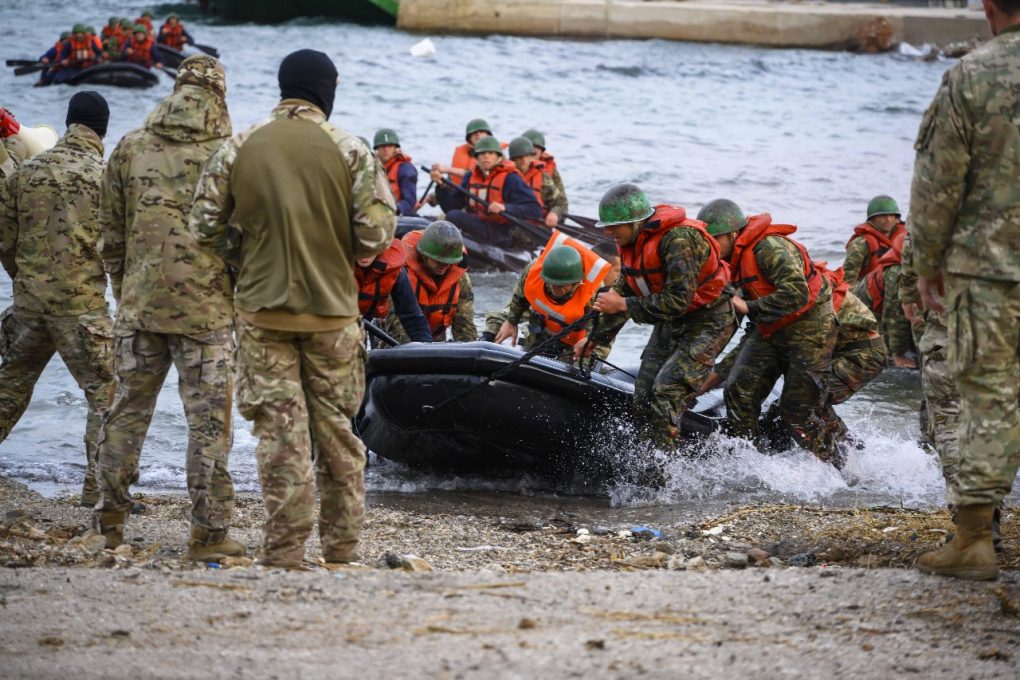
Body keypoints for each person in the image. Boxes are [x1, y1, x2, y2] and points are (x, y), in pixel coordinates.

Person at [191, 49, 396, 568]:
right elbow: (376, 238)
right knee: (338, 436)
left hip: (261, 315)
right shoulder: (350, 150)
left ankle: (283, 552)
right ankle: (341, 552)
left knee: (280, 439)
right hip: (332, 315)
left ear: (284, 87)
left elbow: (203, 228)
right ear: (328, 88)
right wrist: (333, 246)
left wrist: (248, 254)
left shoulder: (238, 147)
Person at [93, 56, 241, 560]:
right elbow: (244, 238)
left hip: (139, 306)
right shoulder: (229, 153)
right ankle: (209, 533)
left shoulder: (130, 146)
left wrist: (122, 288)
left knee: (126, 413)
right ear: (219, 97)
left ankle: (109, 521)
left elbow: (108, 232)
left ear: (176, 89)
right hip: (208, 314)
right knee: (208, 425)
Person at [911, 0, 1020, 582]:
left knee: (989, 398)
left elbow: (938, 181)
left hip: (990, 273)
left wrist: (926, 263)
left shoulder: (973, 75)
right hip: (989, 272)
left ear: (988, 7)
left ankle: (976, 540)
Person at [0, 92, 114, 507]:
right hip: (81, 308)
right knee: (105, 395)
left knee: (10, 389)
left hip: (29, 305)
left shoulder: (24, 173)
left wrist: (26, 280)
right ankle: (98, 493)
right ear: (102, 128)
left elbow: (5, 241)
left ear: (68, 123)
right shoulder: (103, 176)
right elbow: (115, 248)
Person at [578, 184, 734, 446]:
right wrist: (596, 338)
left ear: (636, 222)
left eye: (615, 226)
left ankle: (665, 475)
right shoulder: (632, 245)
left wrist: (625, 305)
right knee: (643, 396)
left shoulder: (679, 240)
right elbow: (624, 290)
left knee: (666, 392)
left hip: (709, 320)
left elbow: (677, 301)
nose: (608, 232)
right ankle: (650, 456)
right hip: (671, 322)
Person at [697, 198, 839, 463]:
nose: (710, 250)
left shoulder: (770, 247)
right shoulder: (729, 262)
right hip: (771, 328)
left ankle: (838, 468)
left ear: (732, 234)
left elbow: (798, 293)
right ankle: (751, 461)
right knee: (739, 390)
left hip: (810, 328)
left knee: (798, 410)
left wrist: (749, 306)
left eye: (714, 241)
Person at [490, 231, 612, 362]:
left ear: (577, 282)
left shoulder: (595, 293)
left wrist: (583, 362)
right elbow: (520, 297)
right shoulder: (534, 270)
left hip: (576, 344)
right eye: (552, 283)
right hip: (541, 331)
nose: (556, 288)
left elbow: (602, 334)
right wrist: (511, 321)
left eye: (562, 285)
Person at [430, 136, 541, 248]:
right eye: (482, 154)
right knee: (453, 215)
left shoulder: (510, 179)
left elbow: (534, 209)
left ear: (499, 158)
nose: (486, 157)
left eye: (491, 153)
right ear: (476, 158)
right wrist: (441, 186)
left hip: (501, 232)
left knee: (454, 216)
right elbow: (451, 207)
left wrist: (505, 208)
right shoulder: (470, 177)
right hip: (479, 224)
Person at [388, 222, 477, 343]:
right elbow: (396, 324)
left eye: (448, 261)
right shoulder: (402, 275)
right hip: (396, 340)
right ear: (424, 255)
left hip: (435, 342)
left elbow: (465, 326)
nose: (444, 265)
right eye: (438, 260)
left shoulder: (461, 280)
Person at [851, 232, 916, 368]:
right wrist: (898, 355)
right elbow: (893, 317)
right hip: (865, 314)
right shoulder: (897, 272)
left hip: (883, 308)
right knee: (882, 354)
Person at [355, 239, 432, 343]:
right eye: (359, 246)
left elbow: (412, 316)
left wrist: (425, 349)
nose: (365, 253)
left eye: (371, 246)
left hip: (363, 322)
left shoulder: (394, 269)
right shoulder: (332, 264)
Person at [842, 195, 906, 286]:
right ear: (872, 218)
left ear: (897, 219)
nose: (888, 220)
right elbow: (847, 281)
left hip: (896, 287)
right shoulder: (861, 243)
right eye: (883, 216)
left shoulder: (905, 239)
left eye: (891, 215)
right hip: (867, 290)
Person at [507, 136, 567, 229]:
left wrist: (554, 213)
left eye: (526, 157)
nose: (523, 161)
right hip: (512, 223)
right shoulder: (507, 177)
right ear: (512, 160)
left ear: (532, 158)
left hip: (536, 225)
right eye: (519, 158)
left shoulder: (543, 176)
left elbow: (561, 202)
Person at [373, 128, 417, 216]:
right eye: (382, 146)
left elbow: (409, 201)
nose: (386, 149)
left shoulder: (405, 169)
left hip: (398, 214)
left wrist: (394, 209)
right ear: (377, 149)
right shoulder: (371, 167)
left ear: (395, 148)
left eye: (389, 146)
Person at [521, 129, 568, 210]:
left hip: (541, 214)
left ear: (542, 152)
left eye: (537, 148)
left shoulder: (548, 172)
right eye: (531, 147)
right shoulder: (513, 169)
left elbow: (562, 202)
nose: (534, 151)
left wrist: (554, 214)